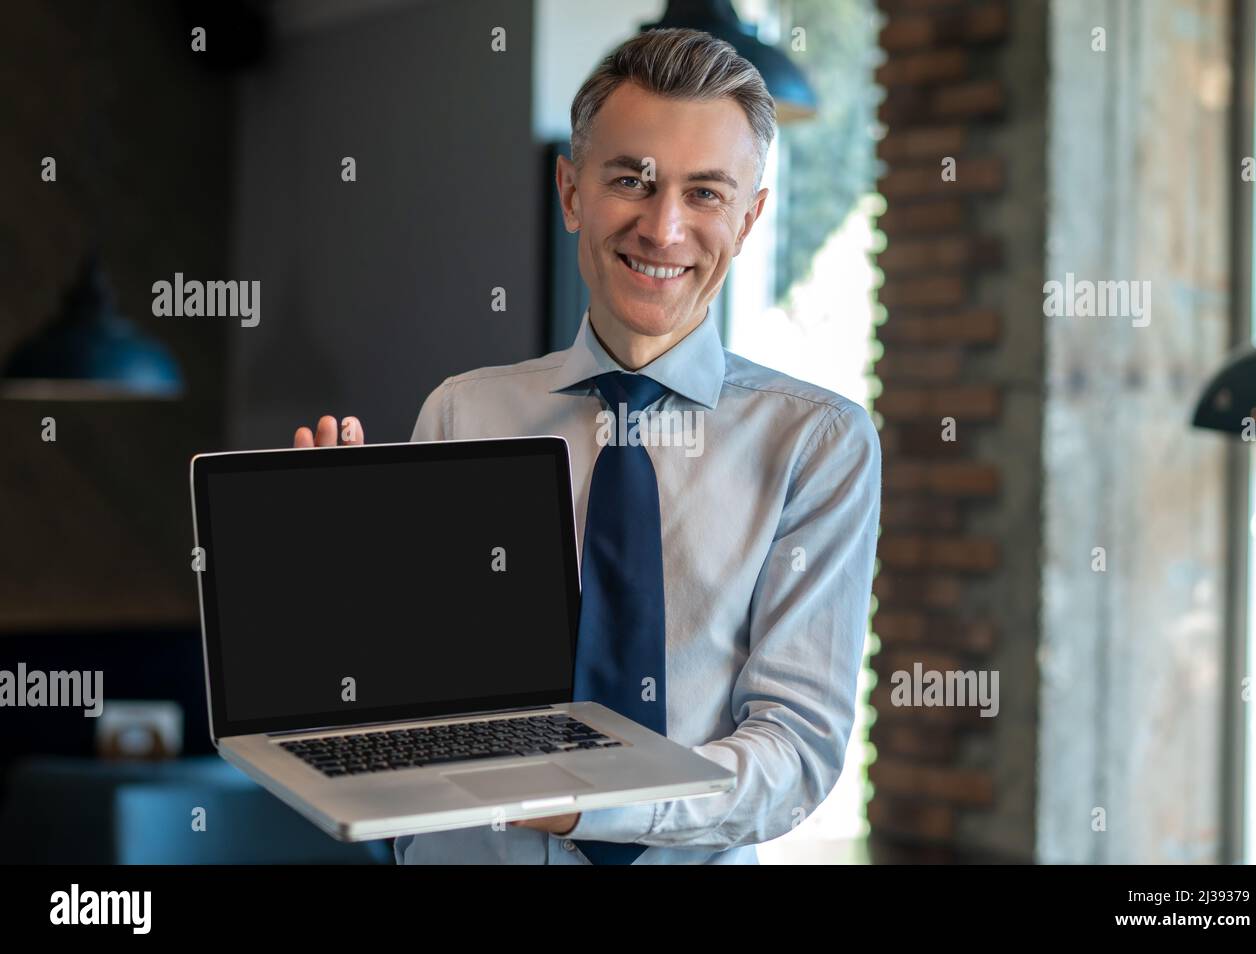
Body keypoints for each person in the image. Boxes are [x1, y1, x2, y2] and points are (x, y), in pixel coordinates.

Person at [293, 27, 881, 865]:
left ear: (750, 219)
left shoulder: (816, 446)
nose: (664, 227)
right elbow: (395, 717)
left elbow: (794, 754)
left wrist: (584, 805)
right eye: (630, 180)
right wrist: (334, 598)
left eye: (706, 194)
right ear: (571, 191)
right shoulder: (464, 414)